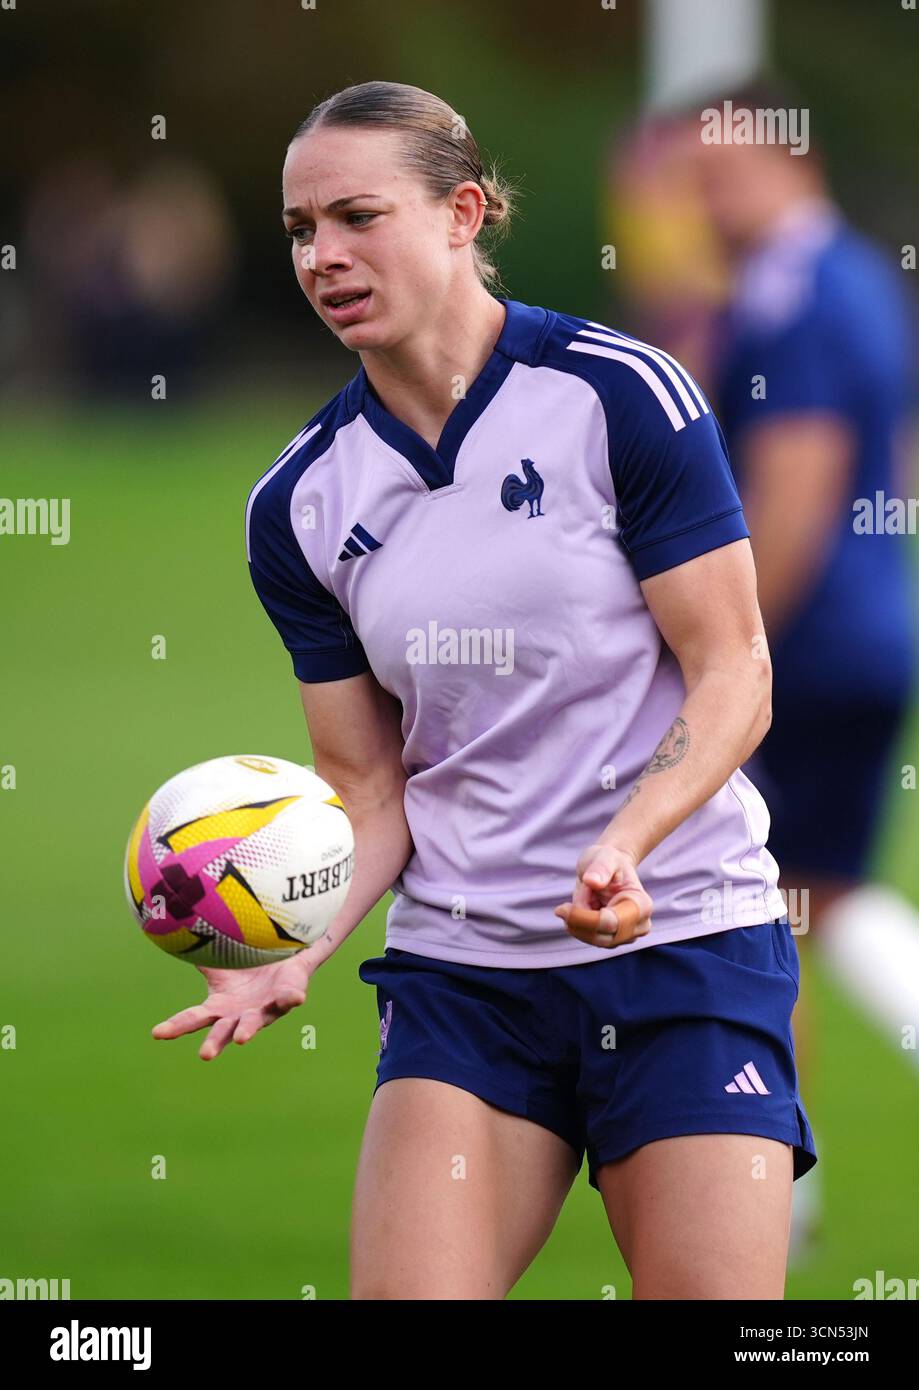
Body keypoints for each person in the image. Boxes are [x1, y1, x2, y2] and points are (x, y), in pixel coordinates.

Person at [152, 80, 816, 1300]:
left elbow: (736, 673)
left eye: (358, 216)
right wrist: (294, 943)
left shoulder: (620, 395)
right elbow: (368, 783)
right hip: (463, 977)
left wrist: (625, 845)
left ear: (463, 213)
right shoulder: (298, 504)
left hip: (681, 945)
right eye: (301, 230)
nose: (324, 256)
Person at [688, 79, 919, 1255]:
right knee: (813, 895)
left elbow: (799, 484)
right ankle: (781, 1187)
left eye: (729, 170)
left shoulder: (800, 295)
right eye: (697, 174)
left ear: (796, 159)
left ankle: (773, 1189)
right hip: (864, 636)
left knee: (746, 911)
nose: (708, 198)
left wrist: (726, 652)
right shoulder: (854, 279)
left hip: (802, 653)